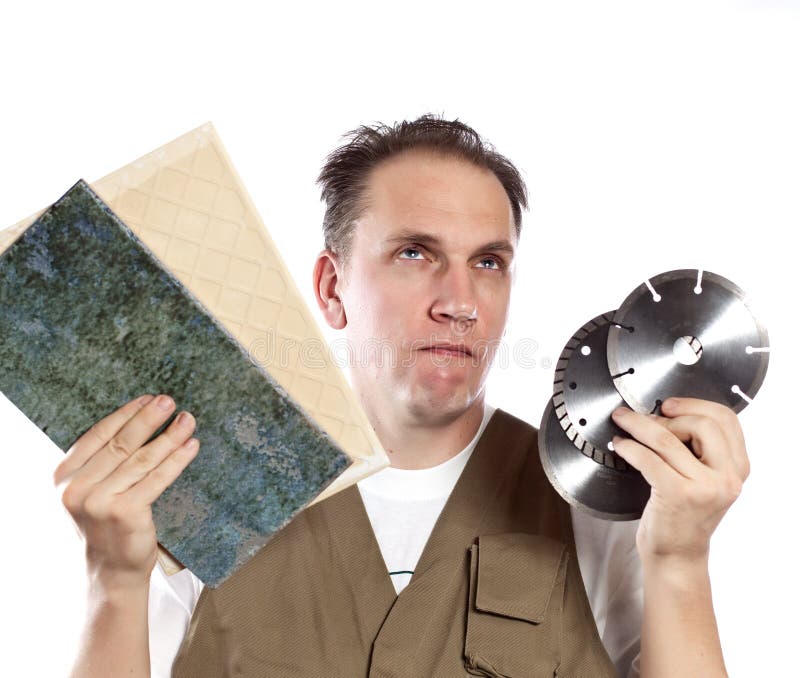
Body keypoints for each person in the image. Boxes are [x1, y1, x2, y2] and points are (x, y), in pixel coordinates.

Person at [54, 115, 747, 677]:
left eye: (488, 262)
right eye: (414, 254)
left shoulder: (600, 503)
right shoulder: (202, 486)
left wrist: (682, 561)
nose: (460, 303)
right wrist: (113, 578)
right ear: (332, 288)